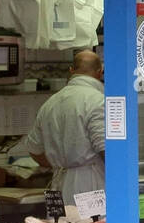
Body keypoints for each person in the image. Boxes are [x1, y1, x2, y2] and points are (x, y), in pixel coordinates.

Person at [20, 49, 106, 208]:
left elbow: (34, 150)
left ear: (71, 71)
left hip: (57, 185)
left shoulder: (50, 103)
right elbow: (106, 151)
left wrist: (60, 163)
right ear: (100, 73)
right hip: (90, 186)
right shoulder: (98, 101)